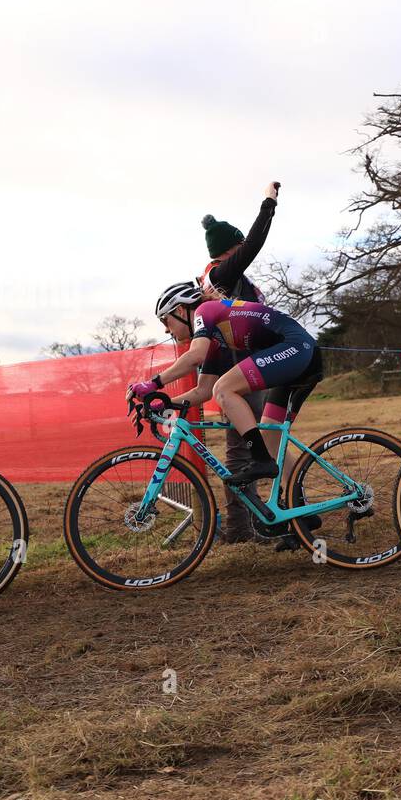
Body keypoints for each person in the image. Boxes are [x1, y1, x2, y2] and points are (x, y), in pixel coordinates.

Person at [133, 283, 322, 491]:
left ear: (179, 310)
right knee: (271, 439)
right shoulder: (213, 337)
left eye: (165, 320)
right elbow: (202, 391)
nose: (166, 329)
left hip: (296, 349)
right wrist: (163, 405)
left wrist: (153, 383)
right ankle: (300, 510)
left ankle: (261, 461)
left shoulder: (204, 311)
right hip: (302, 356)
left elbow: (195, 358)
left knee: (223, 389)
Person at [198, 181, 280, 543]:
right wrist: (268, 204)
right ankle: (241, 527)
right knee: (241, 452)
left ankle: (257, 522)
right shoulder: (221, 275)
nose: (243, 250)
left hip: (255, 370)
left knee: (256, 449)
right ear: (229, 250)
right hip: (241, 375)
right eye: (238, 246)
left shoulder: (231, 279)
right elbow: (253, 245)